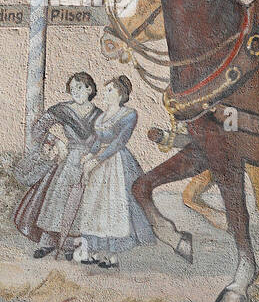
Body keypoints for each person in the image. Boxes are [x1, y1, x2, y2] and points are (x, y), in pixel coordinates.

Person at [13, 72, 100, 258]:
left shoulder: (99, 116)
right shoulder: (63, 110)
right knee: (57, 201)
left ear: (89, 89)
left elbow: (107, 139)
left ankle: (72, 246)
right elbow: (37, 128)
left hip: (89, 163)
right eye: (72, 88)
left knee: (83, 206)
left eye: (79, 87)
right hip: (67, 160)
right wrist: (56, 142)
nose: (75, 92)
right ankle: (48, 243)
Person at [74, 75, 154, 268]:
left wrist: (97, 159)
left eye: (110, 90)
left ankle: (112, 255)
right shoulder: (102, 117)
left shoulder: (129, 114)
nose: (106, 93)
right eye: (106, 90)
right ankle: (93, 250)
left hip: (117, 163)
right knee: (96, 207)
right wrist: (88, 156)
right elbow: (97, 141)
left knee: (115, 208)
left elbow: (119, 142)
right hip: (99, 164)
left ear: (120, 93)